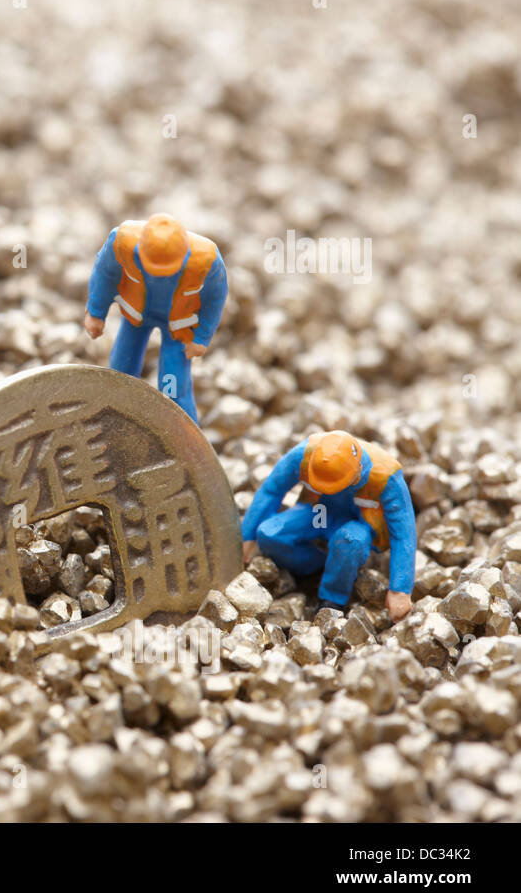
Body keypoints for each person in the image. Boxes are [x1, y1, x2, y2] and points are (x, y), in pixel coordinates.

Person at [241, 430, 416, 621]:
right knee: (270, 534)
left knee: (350, 541)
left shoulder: (386, 476)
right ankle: (316, 566)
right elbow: (272, 489)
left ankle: (332, 599)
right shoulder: (305, 455)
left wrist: (400, 589)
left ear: (357, 472)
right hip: (320, 512)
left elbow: (404, 532)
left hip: (359, 521)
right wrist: (247, 536)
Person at [83, 213, 228, 423]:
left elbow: (216, 297)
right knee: (121, 370)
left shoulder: (206, 260)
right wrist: (96, 312)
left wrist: (201, 337)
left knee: (172, 386)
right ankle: (113, 418)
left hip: (177, 326)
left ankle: (184, 442)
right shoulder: (121, 241)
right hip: (136, 318)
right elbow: (104, 274)